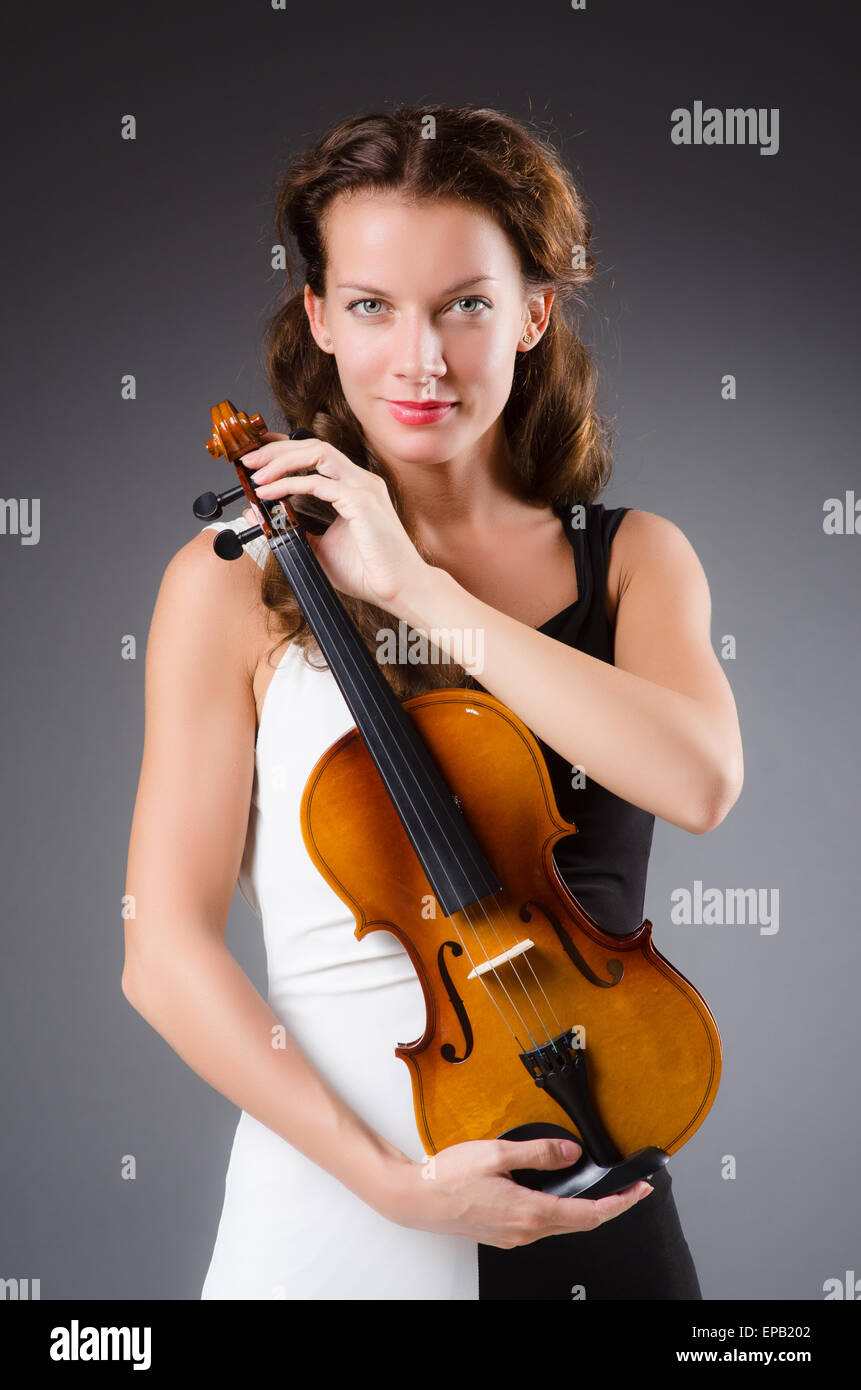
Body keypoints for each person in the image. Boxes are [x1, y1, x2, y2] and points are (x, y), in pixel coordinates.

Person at [122, 103, 743, 1301]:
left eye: (466, 302)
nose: (422, 359)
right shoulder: (235, 586)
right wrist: (395, 1187)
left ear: (534, 310)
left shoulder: (631, 559)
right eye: (370, 306)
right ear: (317, 315)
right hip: (340, 1214)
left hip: (596, 1178)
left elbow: (700, 779)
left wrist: (411, 583)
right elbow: (166, 953)